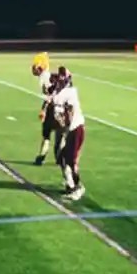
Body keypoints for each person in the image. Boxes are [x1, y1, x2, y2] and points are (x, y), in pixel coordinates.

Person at [53, 67, 87, 201]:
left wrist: (65, 127)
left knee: (70, 161)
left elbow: (70, 113)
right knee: (63, 158)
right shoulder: (64, 92)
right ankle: (71, 184)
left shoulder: (67, 93)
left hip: (75, 129)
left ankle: (77, 187)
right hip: (73, 129)